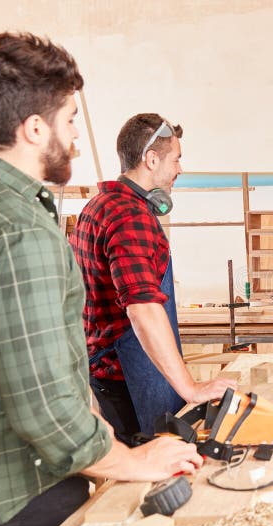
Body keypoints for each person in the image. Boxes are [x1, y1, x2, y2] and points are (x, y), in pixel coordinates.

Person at [0, 32, 204, 526]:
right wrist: (128, 459)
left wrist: (98, 428)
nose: (77, 139)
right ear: (35, 128)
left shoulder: (44, 207)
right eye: (69, 121)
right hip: (25, 493)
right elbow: (42, 402)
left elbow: (46, 348)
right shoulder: (20, 229)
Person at [69, 113, 235, 442]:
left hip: (108, 374)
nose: (180, 169)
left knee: (138, 467)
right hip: (133, 376)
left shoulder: (97, 206)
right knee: (154, 470)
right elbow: (142, 308)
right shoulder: (130, 215)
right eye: (176, 159)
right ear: (151, 158)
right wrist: (190, 386)